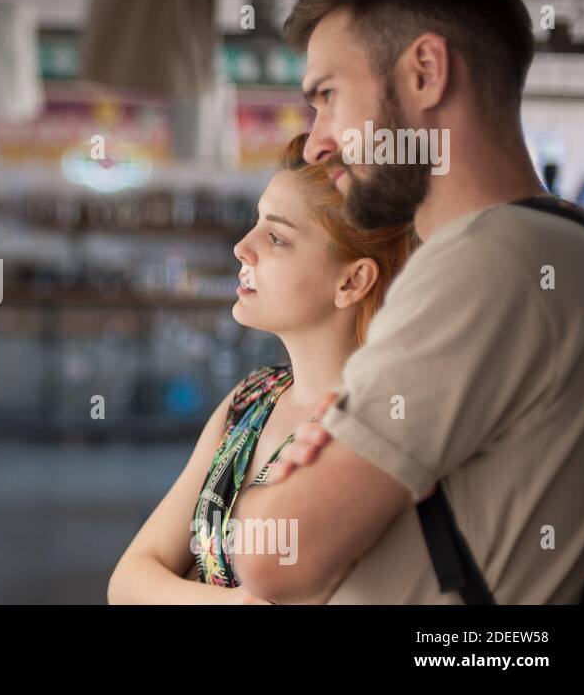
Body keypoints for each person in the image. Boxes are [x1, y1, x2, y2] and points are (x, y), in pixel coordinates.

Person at [229, 0, 584, 604]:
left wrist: (287, 480)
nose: (317, 143)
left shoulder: (482, 264)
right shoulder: (569, 242)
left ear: (425, 72)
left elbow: (273, 557)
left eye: (328, 97)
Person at [108, 133, 415, 603]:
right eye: (256, 224)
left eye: (275, 237)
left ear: (352, 280)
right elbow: (128, 579)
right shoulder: (252, 397)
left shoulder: (379, 430)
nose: (241, 248)